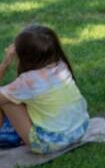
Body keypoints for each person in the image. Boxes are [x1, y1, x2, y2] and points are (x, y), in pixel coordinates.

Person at [0, 26, 89, 156]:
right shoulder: (61, 66)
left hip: (48, 144)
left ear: (23, 55)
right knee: (13, 96)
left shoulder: (27, 82)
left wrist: (5, 63)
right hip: (79, 131)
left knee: (5, 100)